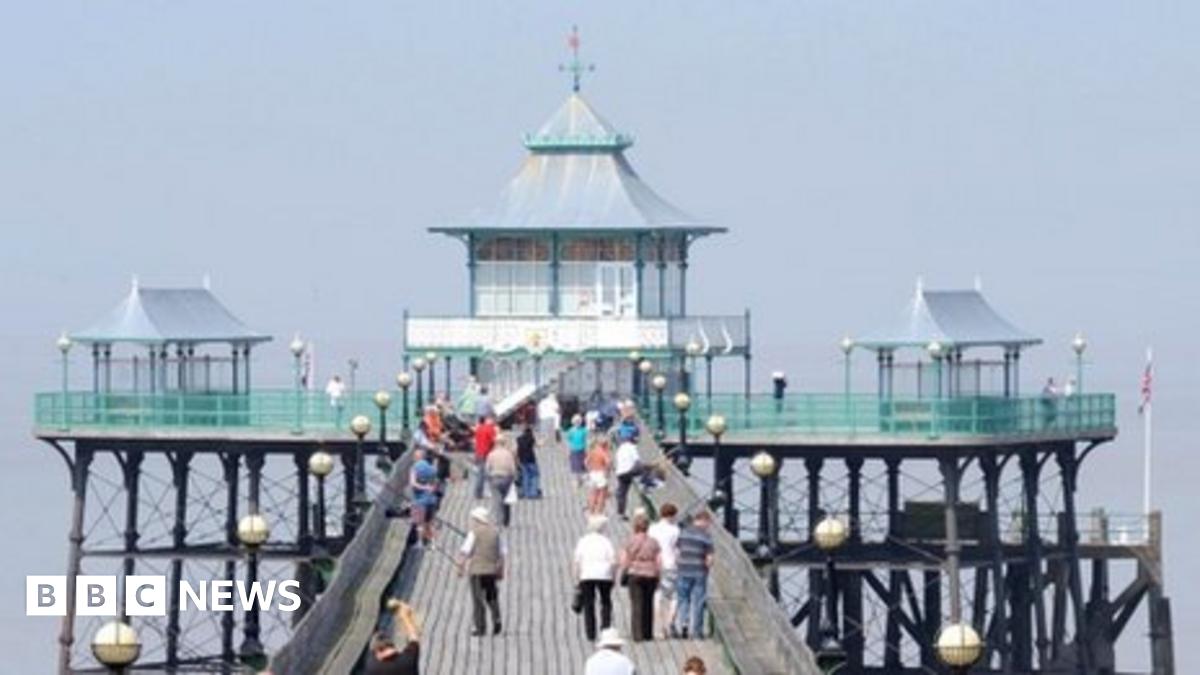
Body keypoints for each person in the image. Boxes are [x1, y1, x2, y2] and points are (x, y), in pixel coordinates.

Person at [457, 506, 505, 636]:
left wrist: (460, 567)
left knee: (478, 599)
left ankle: (480, 627)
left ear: (477, 519)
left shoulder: (474, 533)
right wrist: (501, 570)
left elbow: (465, 551)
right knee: (492, 596)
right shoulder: (495, 532)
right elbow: (501, 553)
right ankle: (497, 619)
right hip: (492, 570)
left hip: (477, 571)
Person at [574, 515, 618, 642]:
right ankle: (605, 628)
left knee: (589, 603)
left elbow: (577, 561)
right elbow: (613, 561)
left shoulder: (583, 541)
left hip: (587, 574)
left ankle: (590, 632)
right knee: (606, 602)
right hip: (604, 574)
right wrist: (613, 576)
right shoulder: (606, 542)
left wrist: (577, 579)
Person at [620, 513, 662, 642]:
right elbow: (659, 560)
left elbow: (625, 559)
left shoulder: (630, 541)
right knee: (648, 603)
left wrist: (624, 571)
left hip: (635, 573)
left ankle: (637, 634)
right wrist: (658, 576)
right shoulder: (654, 542)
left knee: (637, 604)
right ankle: (648, 633)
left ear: (635, 527)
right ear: (647, 527)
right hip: (650, 574)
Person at [674, 511, 715, 639]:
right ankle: (697, 632)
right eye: (708, 523)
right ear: (704, 521)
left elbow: (677, 551)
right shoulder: (706, 536)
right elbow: (709, 558)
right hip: (699, 572)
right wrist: (707, 569)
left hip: (683, 570)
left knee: (683, 599)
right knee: (698, 601)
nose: (709, 525)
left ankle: (684, 625)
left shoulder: (683, 533)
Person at [648, 503, 681, 638]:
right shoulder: (675, 530)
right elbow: (677, 548)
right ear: (673, 516)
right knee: (675, 595)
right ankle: (670, 622)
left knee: (658, 595)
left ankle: (660, 627)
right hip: (671, 563)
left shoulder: (652, 528)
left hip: (656, 563)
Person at [364, 599, 421, 675]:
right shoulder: (408, 659)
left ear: (378, 652)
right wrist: (405, 617)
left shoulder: (372, 666)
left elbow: (371, 651)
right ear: (392, 646)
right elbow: (413, 637)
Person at [408, 448, 439, 544]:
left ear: (417, 457)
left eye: (414, 456)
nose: (413, 458)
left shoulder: (414, 468)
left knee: (419, 524)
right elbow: (435, 484)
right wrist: (429, 488)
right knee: (430, 523)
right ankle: (433, 543)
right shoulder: (432, 468)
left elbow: (413, 483)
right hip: (431, 500)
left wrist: (423, 487)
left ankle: (420, 543)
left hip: (419, 501)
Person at [486, 435, 518, 527]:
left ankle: (498, 520)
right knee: (506, 499)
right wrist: (514, 478)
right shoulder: (508, 454)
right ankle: (506, 520)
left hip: (495, 477)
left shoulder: (491, 454)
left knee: (497, 500)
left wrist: (489, 477)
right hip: (506, 478)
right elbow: (512, 467)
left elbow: (487, 468)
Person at [613, 440, 642, 520]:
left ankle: (620, 512)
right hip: (629, 472)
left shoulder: (620, 449)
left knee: (622, 492)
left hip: (620, 473)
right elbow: (637, 462)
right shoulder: (632, 448)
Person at [585, 439, 613, 515]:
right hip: (601, 473)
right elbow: (608, 462)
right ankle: (598, 512)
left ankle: (591, 511)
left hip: (593, 473)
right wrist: (607, 472)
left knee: (593, 493)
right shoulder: (603, 452)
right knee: (601, 494)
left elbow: (586, 462)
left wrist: (589, 469)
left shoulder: (593, 451)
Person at [473, 414, 497, 499]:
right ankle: (484, 492)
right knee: (487, 473)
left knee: (480, 473)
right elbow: (494, 440)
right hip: (487, 453)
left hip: (479, 452)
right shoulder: (489, 428)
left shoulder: (479, 428)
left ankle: (478, 492)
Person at [516, 424, 542, 499]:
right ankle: (533, 492)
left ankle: (526, 492)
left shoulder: (519, 439)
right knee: (535, 476)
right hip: (531, 459)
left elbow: (517, 449)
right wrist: (542, 442)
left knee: (525, 476)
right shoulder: (531, 438)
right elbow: (537, 445)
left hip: (522, 460)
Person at [566, 414, 589, 488]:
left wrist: (587, 449)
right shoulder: (571, 431)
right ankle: (576, 481)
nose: (577, 423)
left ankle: (584, 480)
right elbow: (568, 441)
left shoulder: (584, 430)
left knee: (584, 465)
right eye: (576, 421)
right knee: (575, 467)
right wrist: (568, 450)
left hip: (582, 449)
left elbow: (586, 440)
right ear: (573, 422)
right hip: (574, 450)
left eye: (579, 421)